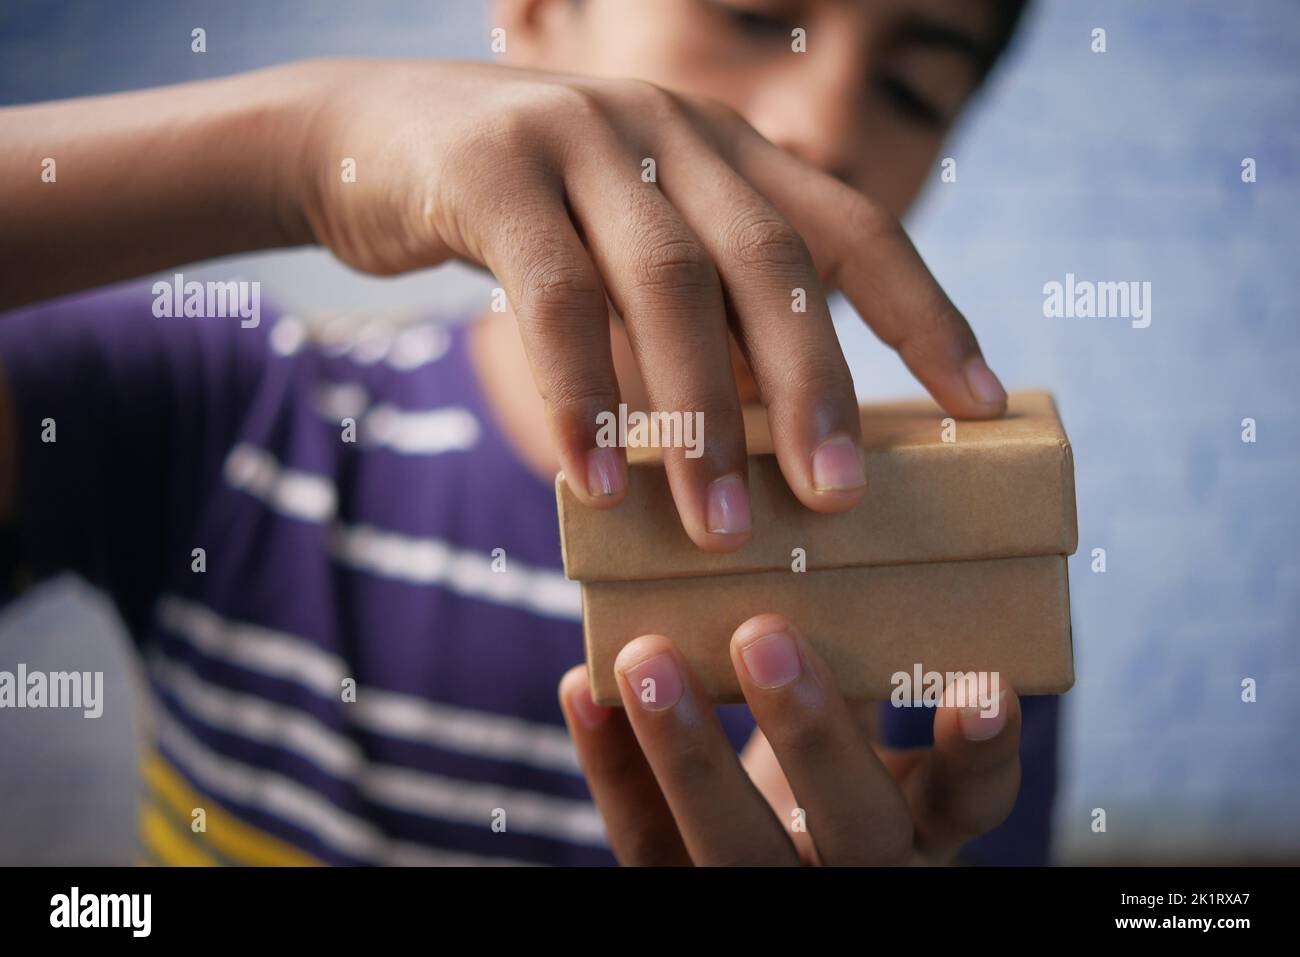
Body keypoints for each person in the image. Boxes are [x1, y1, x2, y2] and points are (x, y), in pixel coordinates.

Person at [0, 0, 1054, 865]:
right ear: (539, 16)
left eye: (914, 91)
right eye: (753, 14)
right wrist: (303, 149)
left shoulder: (957, 596)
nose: (825, 127)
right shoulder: (218, 410)